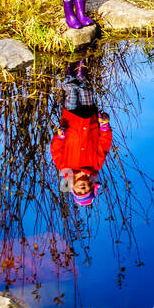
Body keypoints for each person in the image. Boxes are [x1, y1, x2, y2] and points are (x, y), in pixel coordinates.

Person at [51, 61, 112, 208]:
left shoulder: (65, 168)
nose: (82, 189)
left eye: (79, 192)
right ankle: (81, 65)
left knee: (71, 93)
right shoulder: (95, 165)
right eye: (86, 190)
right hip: (89, 120)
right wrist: (104, 127)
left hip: (70, 123)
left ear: (72, 188)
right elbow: (103, 145)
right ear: (92, 186)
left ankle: (69, 70)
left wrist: (60, 136)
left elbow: (55, 150)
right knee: (86, 91)